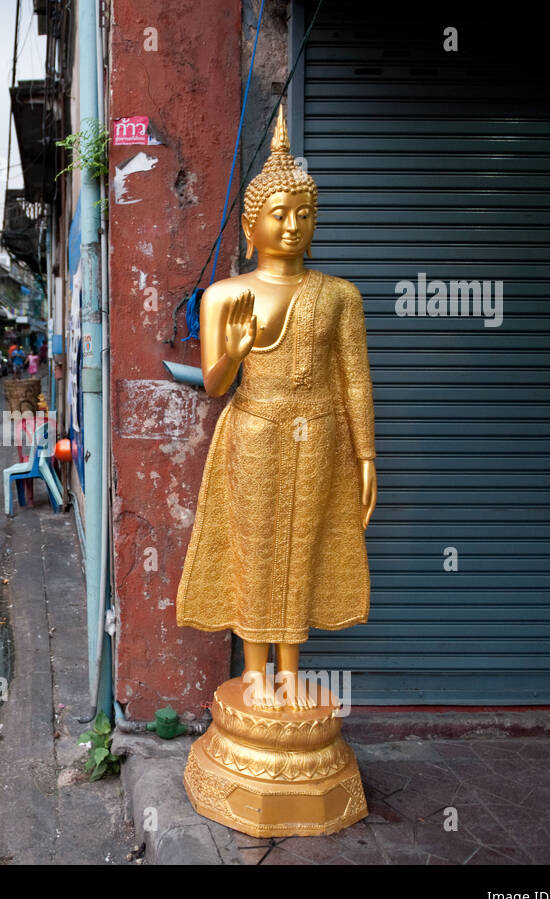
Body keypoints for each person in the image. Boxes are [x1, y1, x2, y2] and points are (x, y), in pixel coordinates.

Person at [175, 106, 376, 711]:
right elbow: (213, 387)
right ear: (250, 224)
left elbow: (356, 382)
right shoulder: (226, 295)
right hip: (254, 433)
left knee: (304, 547)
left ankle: (290, 671)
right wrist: (231, 355)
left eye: (304, 215)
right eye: (278, 214)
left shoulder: (339, 295)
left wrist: (366, 454)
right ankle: (256, 671)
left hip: (319, 437)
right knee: (256, 548)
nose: (292, 226)